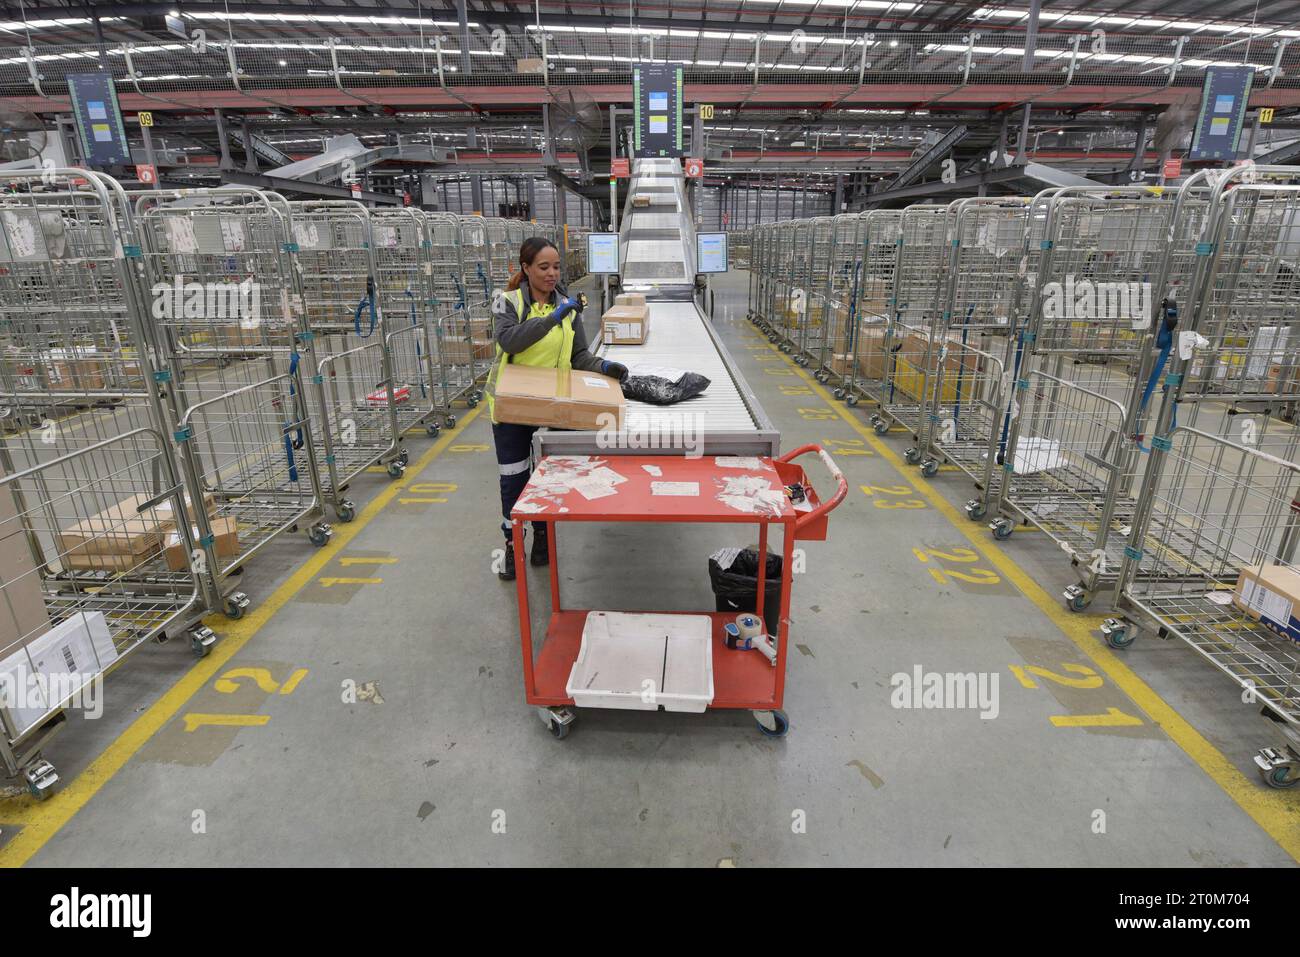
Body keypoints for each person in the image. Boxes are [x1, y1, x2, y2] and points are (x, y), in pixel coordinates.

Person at [487, 236, 628, 581]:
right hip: (514, 408)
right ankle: (511, 543)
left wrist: (603, 368)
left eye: (556, 267)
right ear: (526, 268)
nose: (552, 274)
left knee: (549, 476)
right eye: (544, 267)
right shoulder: (506, 302)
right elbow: (510, 340)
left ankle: (542, 536)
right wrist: (554, 317)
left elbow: (578, 355)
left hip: (554, 406)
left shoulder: (567, 304)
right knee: (515, 477)